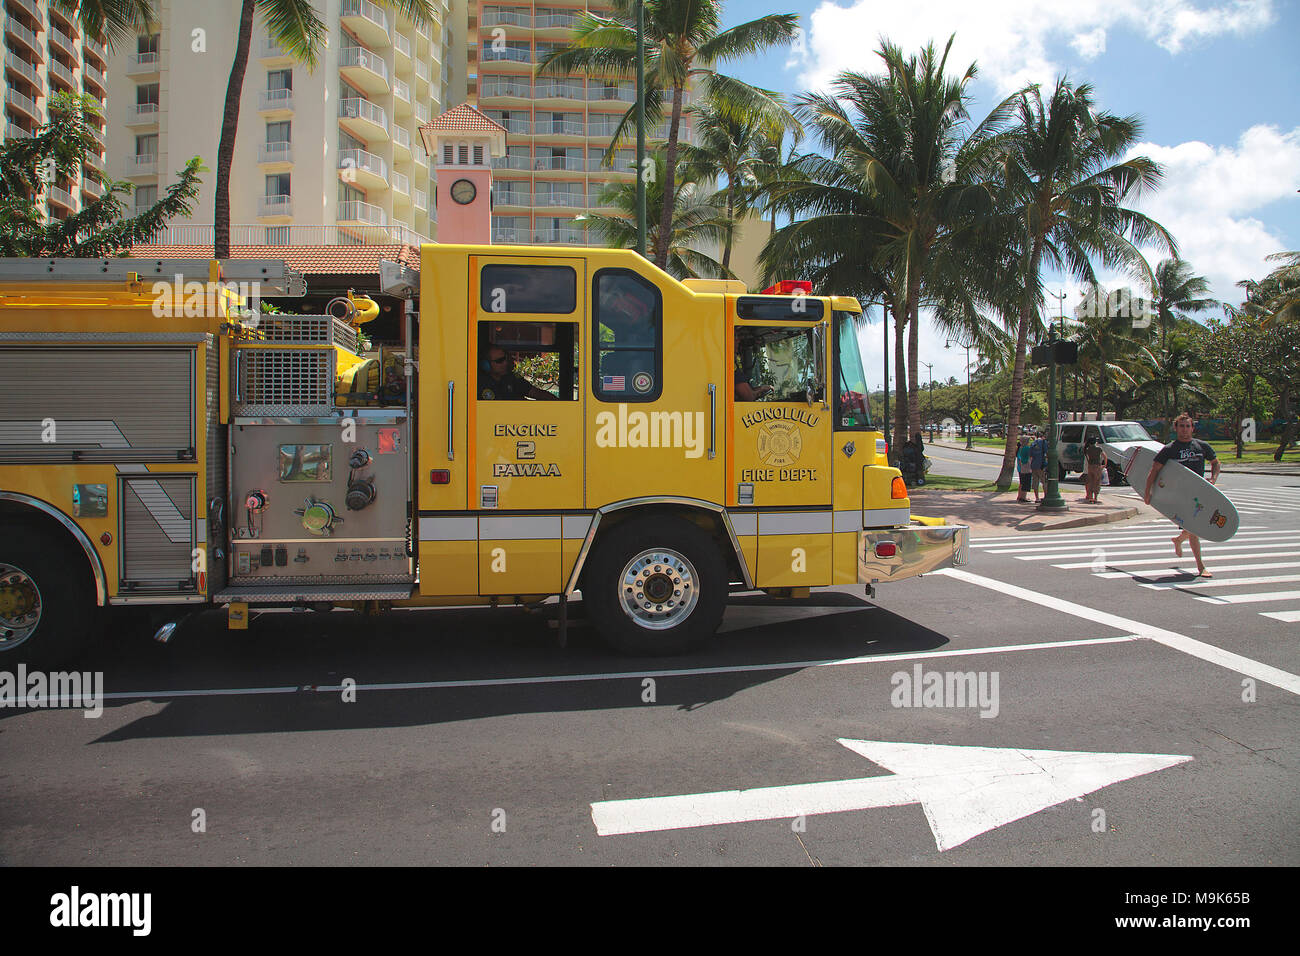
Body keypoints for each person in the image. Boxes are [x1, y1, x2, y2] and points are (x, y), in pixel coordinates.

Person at [1143, 412, 1221, 577]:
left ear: (1192, 428)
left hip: (1199, 493)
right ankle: (1201, 567)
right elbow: (1154, 471)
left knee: (1195, 526)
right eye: (1181, 426)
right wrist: (1148, 493)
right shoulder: (1170, 449)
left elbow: (1215, 463)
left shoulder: (1202, 446)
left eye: (1188, 426)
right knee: (1194, 528)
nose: (1185, 430)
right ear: (1176, 428)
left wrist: (1213, 479)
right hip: (1181, 496)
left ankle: (1179, 540)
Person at [479, 346, 556, 401]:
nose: (505, 363)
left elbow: (536, 393)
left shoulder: (512, 378)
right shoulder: (480, 384)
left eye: (505, 359)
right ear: (486, 365)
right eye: (500, 361)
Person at [1083, 435, 1106, 503]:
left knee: (1090, 481)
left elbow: (1088, 458)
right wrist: (1104, 465)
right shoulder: (1099, 449)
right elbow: (1105, 456)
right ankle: (1095, 497)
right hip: (1097, 466)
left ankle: (1090, 496)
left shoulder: (1087, 449)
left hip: (1090, 466)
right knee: (1097, 481)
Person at [1029, 434, 1048, 502]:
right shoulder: (1043, 443)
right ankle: (1046, 496)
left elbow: (1030, 456)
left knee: (1035, 482)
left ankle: (1037, 497)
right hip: (1041, 465)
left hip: (1034, 465)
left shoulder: (1033, 444)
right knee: (1044, 482)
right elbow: (1047, 453)